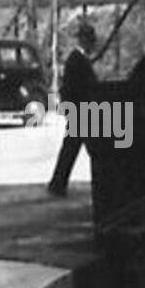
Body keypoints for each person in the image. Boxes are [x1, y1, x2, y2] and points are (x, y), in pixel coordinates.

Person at [47, 19, 98, 197]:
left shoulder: (77, 59)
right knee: (90, 149)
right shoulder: (78, 60)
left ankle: (57, 183)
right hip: (81, 110)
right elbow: (79, 87)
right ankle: (58, 184)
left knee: (72, 148)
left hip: (79, 109)